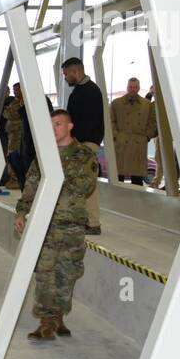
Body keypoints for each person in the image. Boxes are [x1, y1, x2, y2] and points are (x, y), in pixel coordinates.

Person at [13, 109, 98, 341]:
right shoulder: (43, 157)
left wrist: (57, 177)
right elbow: (30, 185)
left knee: (67, 274)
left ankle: (58, 315)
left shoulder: (84, 155)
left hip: (72, 225)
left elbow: (86, 186)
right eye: (50, 125)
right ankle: (45, 321)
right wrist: (21, 211)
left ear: (69, 127)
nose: (53, 129)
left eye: (58, 124)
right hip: (46, 223)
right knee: (44, 272)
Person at [61, 57, 105, 235]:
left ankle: (93, 223)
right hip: (82, 143)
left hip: (86, 144)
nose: (65, 78)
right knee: (80, 183)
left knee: (88, 183)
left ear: (75, 72)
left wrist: (78, 144)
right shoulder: (81, 91)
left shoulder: (89, 91)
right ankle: (85, 219)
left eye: (66, 74)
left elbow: (87, 122)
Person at [109, 77, 155, 185]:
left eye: (135, 87)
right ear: (127, 87)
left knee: (137, 181)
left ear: (139, 88)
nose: (133, 89)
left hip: (138, 144)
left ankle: (137, 202)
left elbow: (152, 123)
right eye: (130, 87)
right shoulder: (116, 103)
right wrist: (116, 135)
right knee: (118, 179)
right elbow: (111, 121)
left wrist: (147, 136)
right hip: (122, 143)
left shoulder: (147, 105)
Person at [1, 82, 24, 187]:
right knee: (9, 155)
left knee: (16, 156)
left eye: (16, 90)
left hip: (19, 134)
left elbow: (14, 114)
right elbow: (6, 114)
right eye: (14, 90)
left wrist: (10, 112)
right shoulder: (14, 103)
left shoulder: (23, 103)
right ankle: (12, 177)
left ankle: (16, 178)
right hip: (11, 134)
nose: (15, 92)